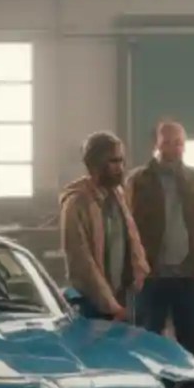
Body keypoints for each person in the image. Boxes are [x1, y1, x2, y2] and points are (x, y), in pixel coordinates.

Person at [126, 120, 194, 362]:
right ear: (156, 144)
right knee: (147, 340)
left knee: (191, 343)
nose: (173, 148)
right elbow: (127, 225)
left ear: (184, 146)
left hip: (188, 275)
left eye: (178, 143)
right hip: (151, 276)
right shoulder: (138, 180)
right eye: (166, 142)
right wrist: (135, 265)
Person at [59, 131, 148, 321]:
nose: (120, 168)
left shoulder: (117, 194)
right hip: (92, 303)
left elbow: (131, 235)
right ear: (95, 164)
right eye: (113, 161)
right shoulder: (77, 203)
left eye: (122, 161)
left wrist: (139, 268)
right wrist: (111, 306)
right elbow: (81, 262)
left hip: (122, 297)